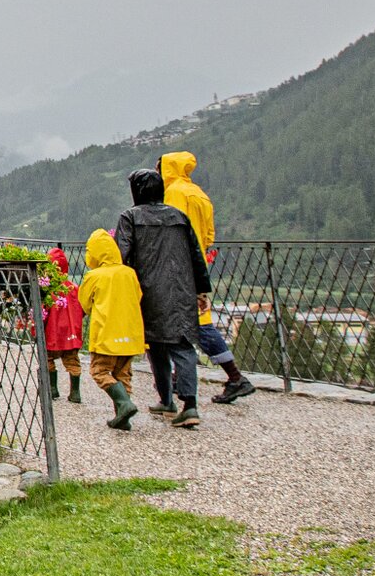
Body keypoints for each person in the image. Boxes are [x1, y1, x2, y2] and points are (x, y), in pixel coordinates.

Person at [114, 167, 212, 428]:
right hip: (181, 290)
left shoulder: (130, 217)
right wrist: (201, 290)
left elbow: (121, 255)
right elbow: (196, 256)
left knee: (155, 344)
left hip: (148, 292)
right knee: (182, 345)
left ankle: (167, 398)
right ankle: (188, 404)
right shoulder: (178, 216)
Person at [161, 151, 257, 405]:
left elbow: (172, 228)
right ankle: (179, 377)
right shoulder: (200, 194)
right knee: (195, 321)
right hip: (198, 263)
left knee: (191, 324)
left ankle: (233, 377)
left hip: (179, 268)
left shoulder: (175, 193)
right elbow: (209, 236)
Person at [77, 229, 145, 430]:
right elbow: (138, 296)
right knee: (123, 374)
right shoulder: (129, 273)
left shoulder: (94, 276)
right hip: (131, 334)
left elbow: (85, 304)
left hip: (106, 333)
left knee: (100, 371)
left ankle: (124, 405)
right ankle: (122, 417)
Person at [40, 246, 85, 403]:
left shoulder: (47, 290)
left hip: (53, 334)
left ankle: (52, 389)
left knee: (48, 360)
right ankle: (75, 393)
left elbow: (42, 313)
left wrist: (36, 330)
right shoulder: (75, 289)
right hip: (71, 335)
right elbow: (83, 308)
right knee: (72, 362)